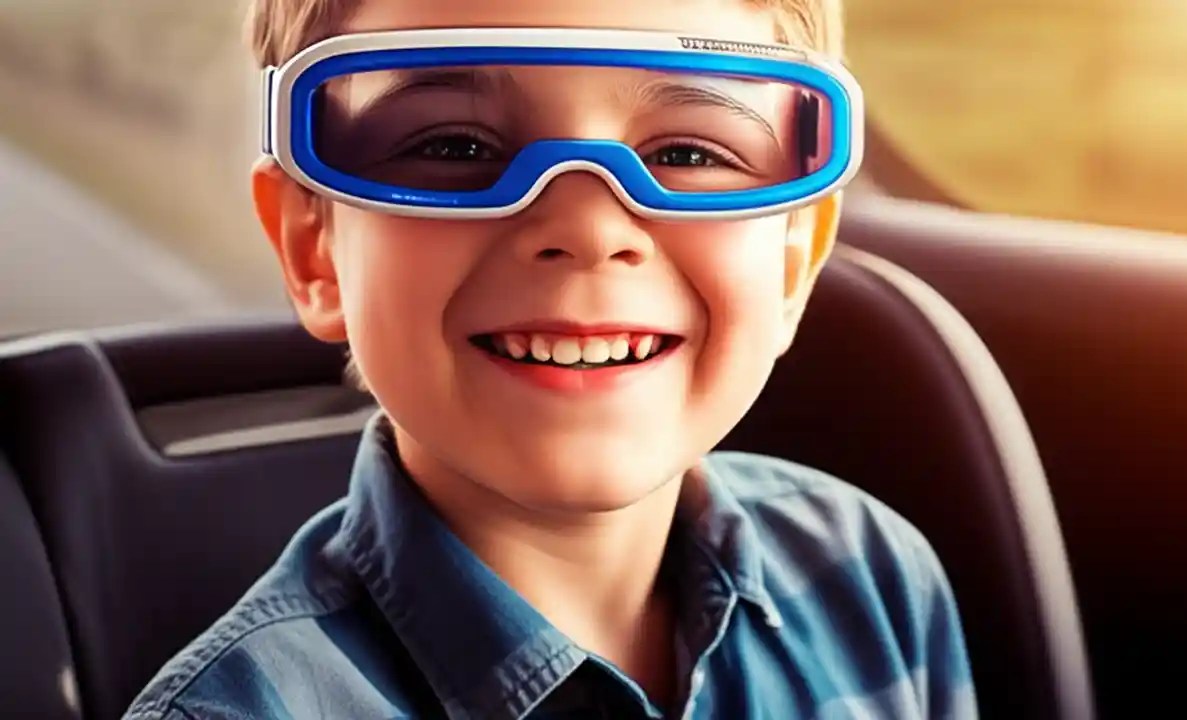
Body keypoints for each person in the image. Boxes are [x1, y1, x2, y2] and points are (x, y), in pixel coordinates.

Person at [124, 0, 976, 717]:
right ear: (315, 252)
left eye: (687, 154)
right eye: (456, 149)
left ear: (794, 263)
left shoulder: (871, 577)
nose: (586, 229)